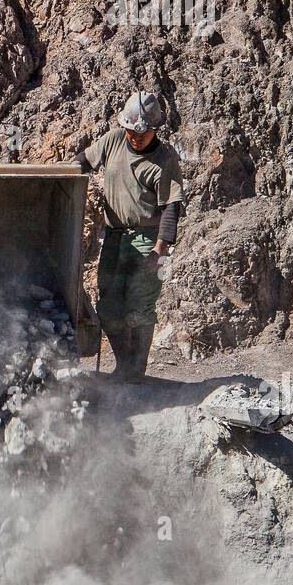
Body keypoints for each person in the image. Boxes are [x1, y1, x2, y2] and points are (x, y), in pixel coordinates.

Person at [78, 91, 185, 381]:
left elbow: (171, 207)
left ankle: (136, 370)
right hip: (115, 235)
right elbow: (83, 162)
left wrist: (160, 251)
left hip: (146, 238)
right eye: (130, 131)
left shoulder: (165, 160)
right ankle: (124, 365)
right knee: (109, 305)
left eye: (142, 133)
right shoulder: (113, 140)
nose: (135, 138)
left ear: (154, 129)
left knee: (140, 304)